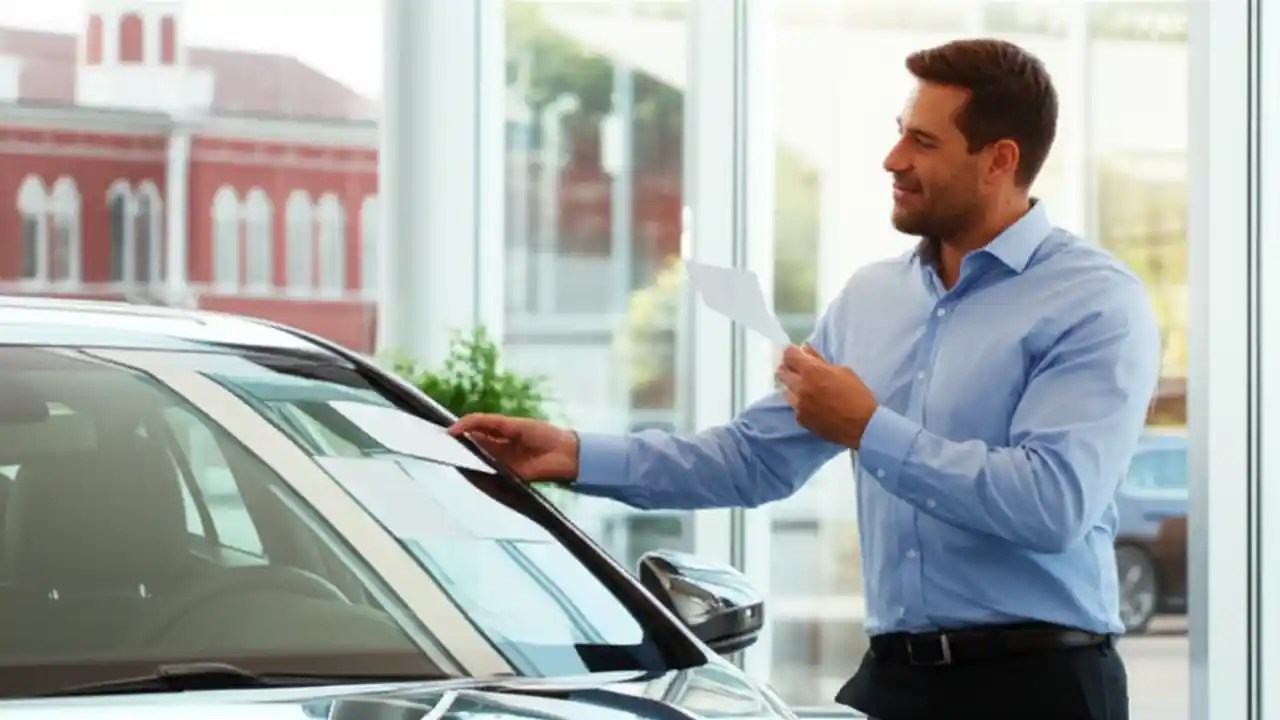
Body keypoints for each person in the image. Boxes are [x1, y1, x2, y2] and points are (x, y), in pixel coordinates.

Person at [450, 37, 1160, 720]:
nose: (893, 159)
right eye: (899, 132)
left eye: (924, 142)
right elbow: (752, 458)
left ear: (999, 159)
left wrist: (866, 428)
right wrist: (572, 454)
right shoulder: (871, 297)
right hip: (892, 680)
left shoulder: (1093, 300)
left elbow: (1052, 502)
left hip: (1041, 687)